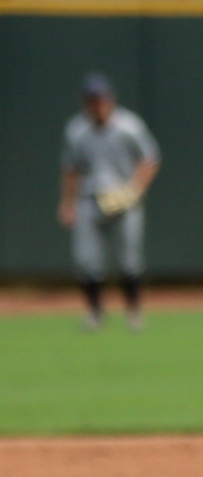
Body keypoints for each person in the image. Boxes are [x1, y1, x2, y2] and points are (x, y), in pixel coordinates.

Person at [58, 74, 160, 332]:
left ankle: (134, 313)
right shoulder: (76, 130)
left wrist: (135, 189)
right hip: (89, 200)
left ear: (110, 100)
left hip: (124, 202)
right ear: (85, 103)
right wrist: (67, 204)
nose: (97, 105)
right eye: (92, 101)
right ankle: (95, 314)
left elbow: (150, 159)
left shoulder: (129, 126)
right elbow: (71, 169)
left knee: (129, 261)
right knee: (87, 260)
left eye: (101, 99)